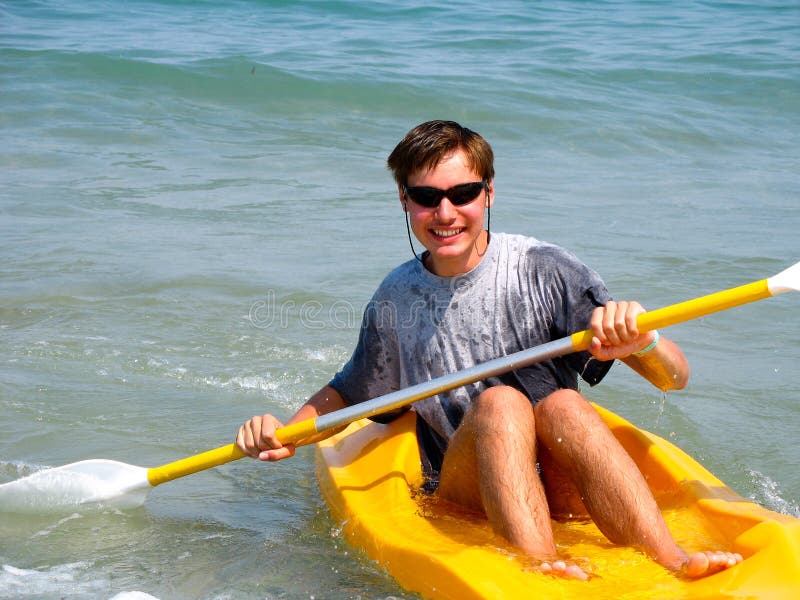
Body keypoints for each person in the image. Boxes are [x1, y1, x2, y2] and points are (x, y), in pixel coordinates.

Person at [236, 120, 742, 581]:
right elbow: (352, 391)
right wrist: (285, 433)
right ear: (404, 200)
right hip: (468, 491)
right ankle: (539, 565)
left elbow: (674, 377)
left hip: (560, 485)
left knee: (563, 404)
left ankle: (671, 559)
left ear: (489, 192)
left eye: (463, 193)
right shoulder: (397, 298)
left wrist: (644, 340)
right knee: (502, 402)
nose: (445, 212)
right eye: (427, 197)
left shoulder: (543, 270)